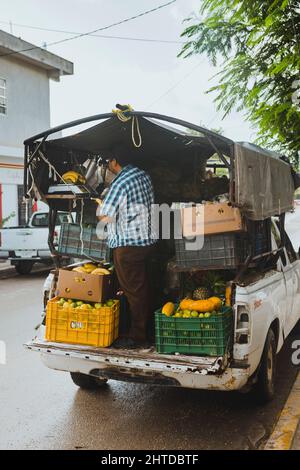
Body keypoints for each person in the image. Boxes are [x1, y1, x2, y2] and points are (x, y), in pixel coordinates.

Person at [97, 145, 157, 349]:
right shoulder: (144, 176)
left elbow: (105, 216)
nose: (109, 166)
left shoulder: (120, 182)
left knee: (134, 291)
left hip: (128, 245)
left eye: (109, 162)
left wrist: (99, 205)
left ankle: (139, 337)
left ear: (114, 162)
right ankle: (146, 330)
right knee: (144, 287)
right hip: (146, 242)